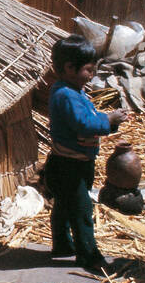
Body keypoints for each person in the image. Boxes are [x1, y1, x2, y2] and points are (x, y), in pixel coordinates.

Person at [45, 34, 127, 270]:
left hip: (68, 163)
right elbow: (84, 123)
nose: (92, 75)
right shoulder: (66, 95)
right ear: (70, 68)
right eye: (89, 70)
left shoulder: (71, 90)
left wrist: (109, 120)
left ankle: (62, 245)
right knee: (81, 210)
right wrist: (108, 119)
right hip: (70, 166)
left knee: (64, 206)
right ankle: (89, 255)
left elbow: (85, 117)